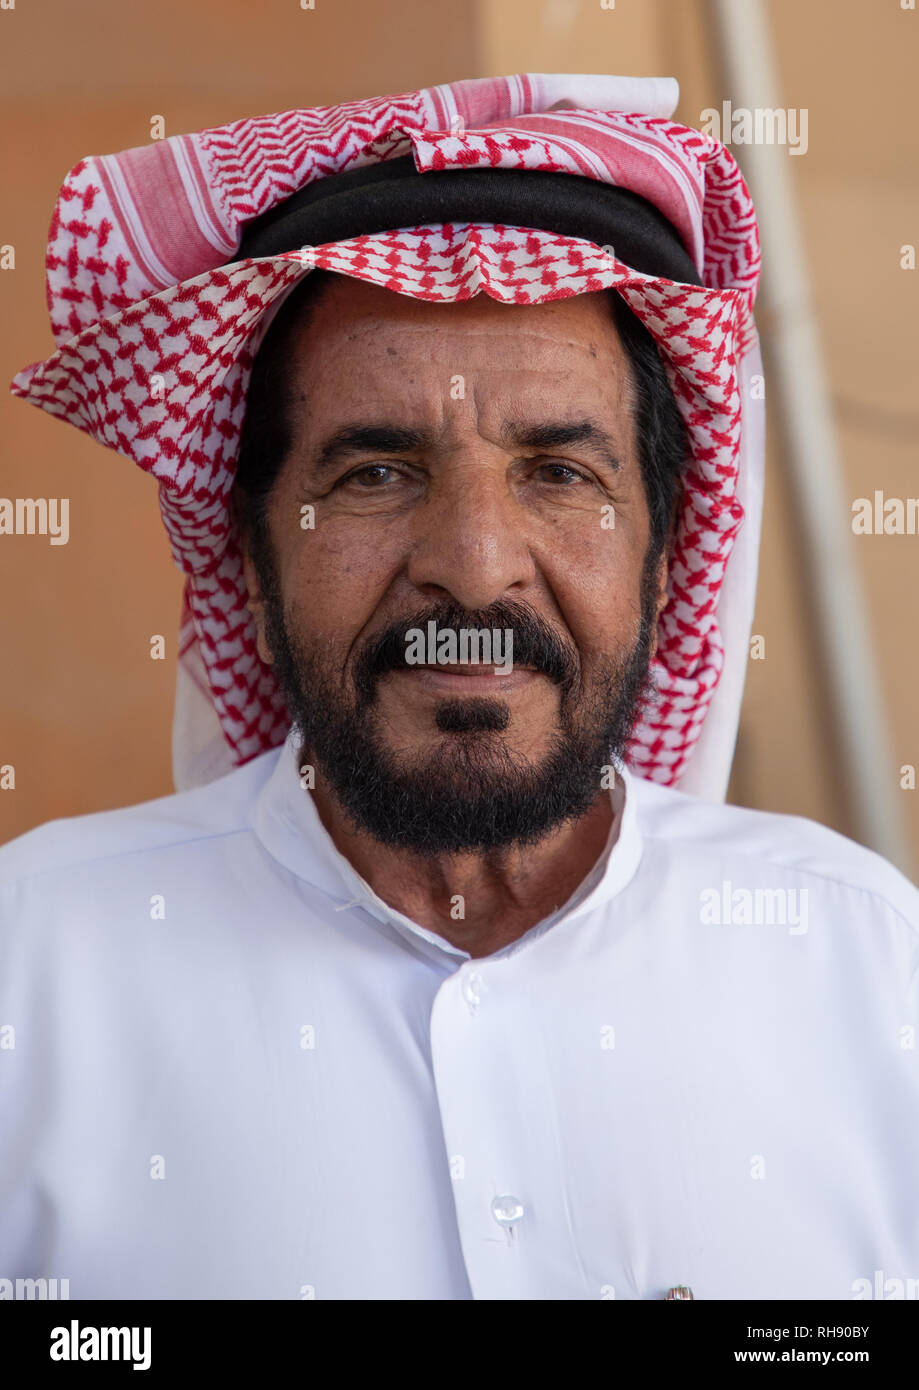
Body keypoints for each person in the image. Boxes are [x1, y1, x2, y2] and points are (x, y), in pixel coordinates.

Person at [2, 74, 917, 1302]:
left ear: (663, 565)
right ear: (251, 569)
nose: (475, 569)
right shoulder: (34, 967)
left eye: (555, 472)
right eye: (376, 472)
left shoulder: (862, 960)